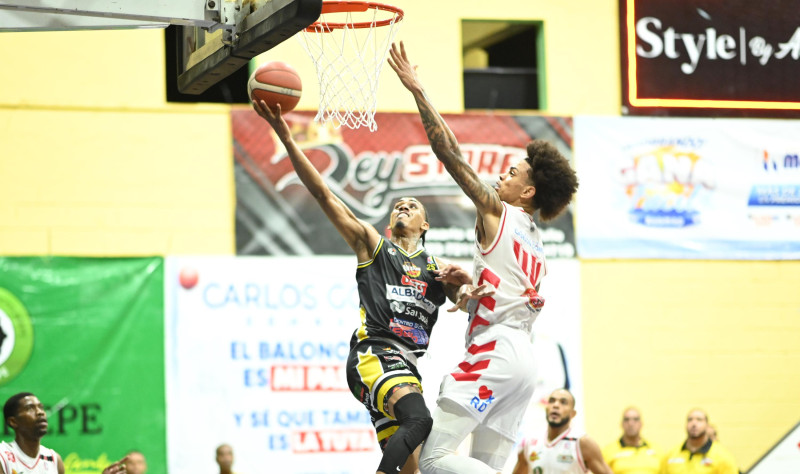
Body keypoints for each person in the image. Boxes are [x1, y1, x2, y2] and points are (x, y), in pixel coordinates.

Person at [388, 41, 580, 473]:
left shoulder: (500, 212)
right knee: (478, 465)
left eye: (512, 174)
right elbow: (507, 289)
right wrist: (466, 291)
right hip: (524, 362)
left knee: (433, 461)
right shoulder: (536, 241)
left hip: (496, 349)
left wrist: (418, 90)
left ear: (527, 192)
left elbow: (449, 154)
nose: (500, 176)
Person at [252, 100, 467, 474]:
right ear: (389, 221)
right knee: (421, 421)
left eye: (412, 205)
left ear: (425, 225)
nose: (403, 206)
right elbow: (324, 195)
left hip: (407, 365)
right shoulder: (375, 246)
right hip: (375, 355)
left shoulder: (437, 268)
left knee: (415, 469)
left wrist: (466, 286)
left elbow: (467, 304)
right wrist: (286, 138)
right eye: (397, 205)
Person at [513, 389, 612, 474]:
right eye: (552, 401)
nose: (556, 405)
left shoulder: (582, 442)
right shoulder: (529, 441)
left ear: (572, 414)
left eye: (563, 402)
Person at [1, 392, 65, 474]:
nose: (40, 412)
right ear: (13, 421)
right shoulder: (2, 456)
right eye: (29, 408)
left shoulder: (54, 460)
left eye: (41, 407)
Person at [659, 409, 737, 474]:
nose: (694, 423)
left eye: (699, 420)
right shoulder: (671, 455)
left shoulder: (723, 456)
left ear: (707, 425)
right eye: (690, 420)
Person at [602, 407, 660, 474]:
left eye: (636, 419)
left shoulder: (656, 449)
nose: (631, 423)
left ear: (641, 424)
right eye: (626, 419)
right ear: (621, 424)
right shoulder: (608, 451)